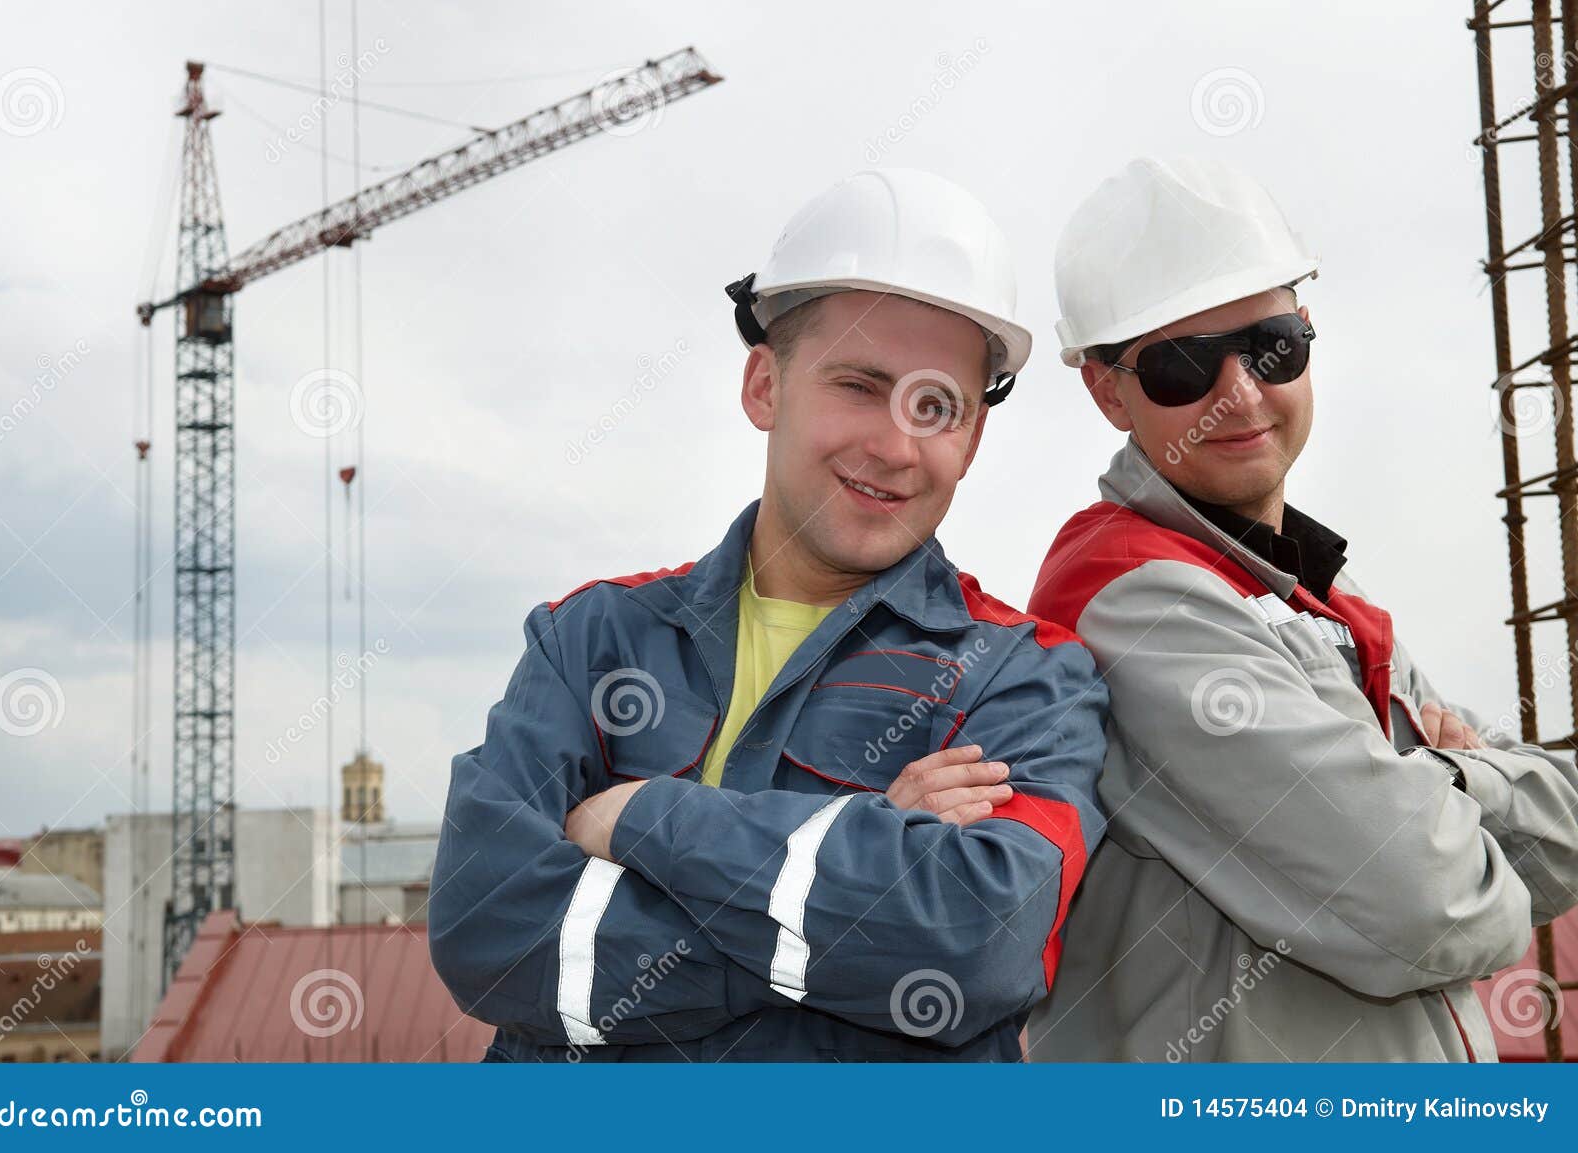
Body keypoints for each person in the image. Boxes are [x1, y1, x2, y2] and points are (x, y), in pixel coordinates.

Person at [429, 168, 1109, 1062]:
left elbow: (977, 941)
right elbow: (486, 932)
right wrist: (864, 867)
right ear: (764, 387)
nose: (895, 446)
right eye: (860, 385)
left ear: (972, 440)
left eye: (937, 407)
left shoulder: (1028, 676)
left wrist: (640, 818)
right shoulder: (588, 642)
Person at [1025, 155, 1578, 1062]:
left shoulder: (1321, 593)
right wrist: (1456, 776)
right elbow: (1426, 903)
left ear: (1308, 333)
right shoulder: (1134, 601)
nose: (1239, 393)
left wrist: (1437, 789)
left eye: (1271, 345)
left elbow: (1565, 842)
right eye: (1181, 367)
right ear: (1107, 389)